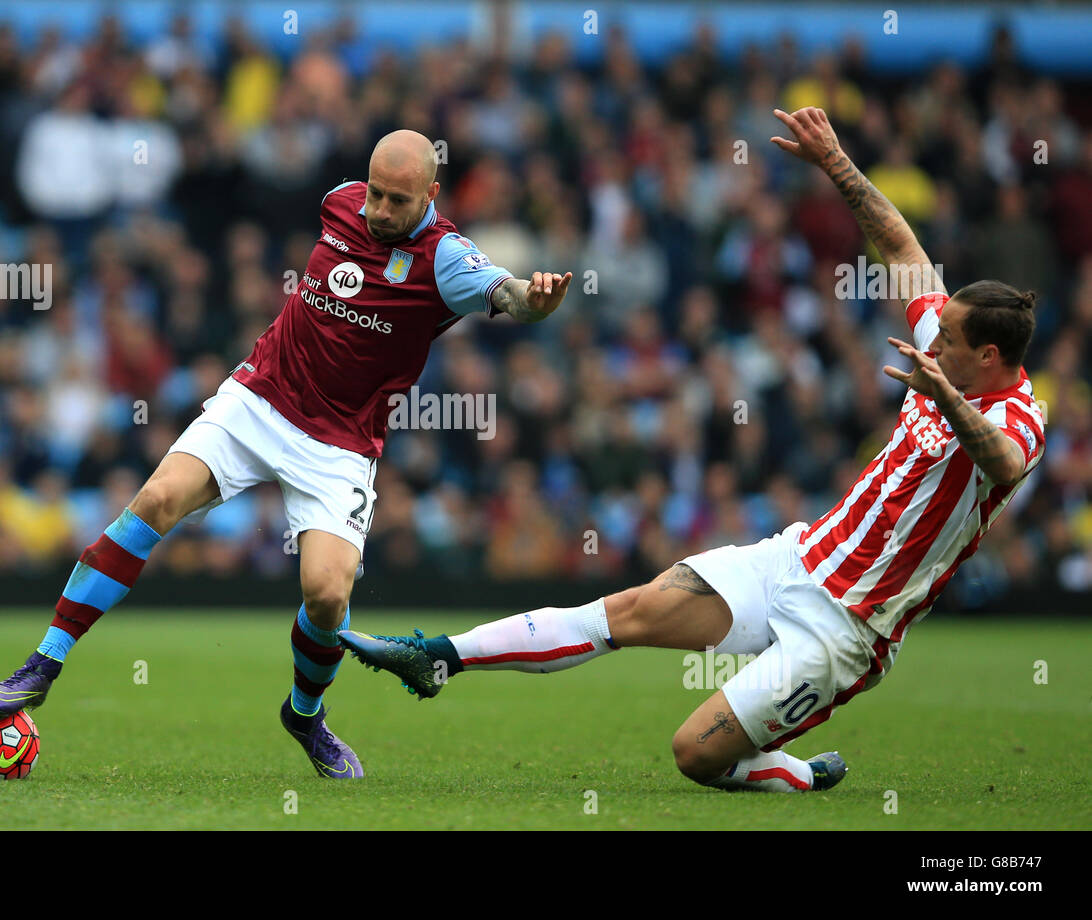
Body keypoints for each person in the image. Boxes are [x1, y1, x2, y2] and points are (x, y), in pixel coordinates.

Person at [340, 108, 1045, 792]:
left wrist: (946, 397)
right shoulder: (944, 352)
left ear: (988, 356)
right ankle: (438, 657)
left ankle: (802, 772)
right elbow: (902, 249)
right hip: (796, 561)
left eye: (949, 339)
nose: (932, 337)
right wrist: (835, 162)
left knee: (695, 755)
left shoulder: (1020, 418)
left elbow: (1004, 465)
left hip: (851, 626)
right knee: (626, 612)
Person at [0, 130, 573, 779]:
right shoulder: (340, 201)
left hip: (340, 444)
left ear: (431, 194)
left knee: (326, 597)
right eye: (375, 193)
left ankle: (304, 715)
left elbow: (510, 295)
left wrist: (536, 300)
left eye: (397, 201)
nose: (379, 209)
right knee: (155, 499)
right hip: (259, 398)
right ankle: (43, 663)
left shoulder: (446, 258)